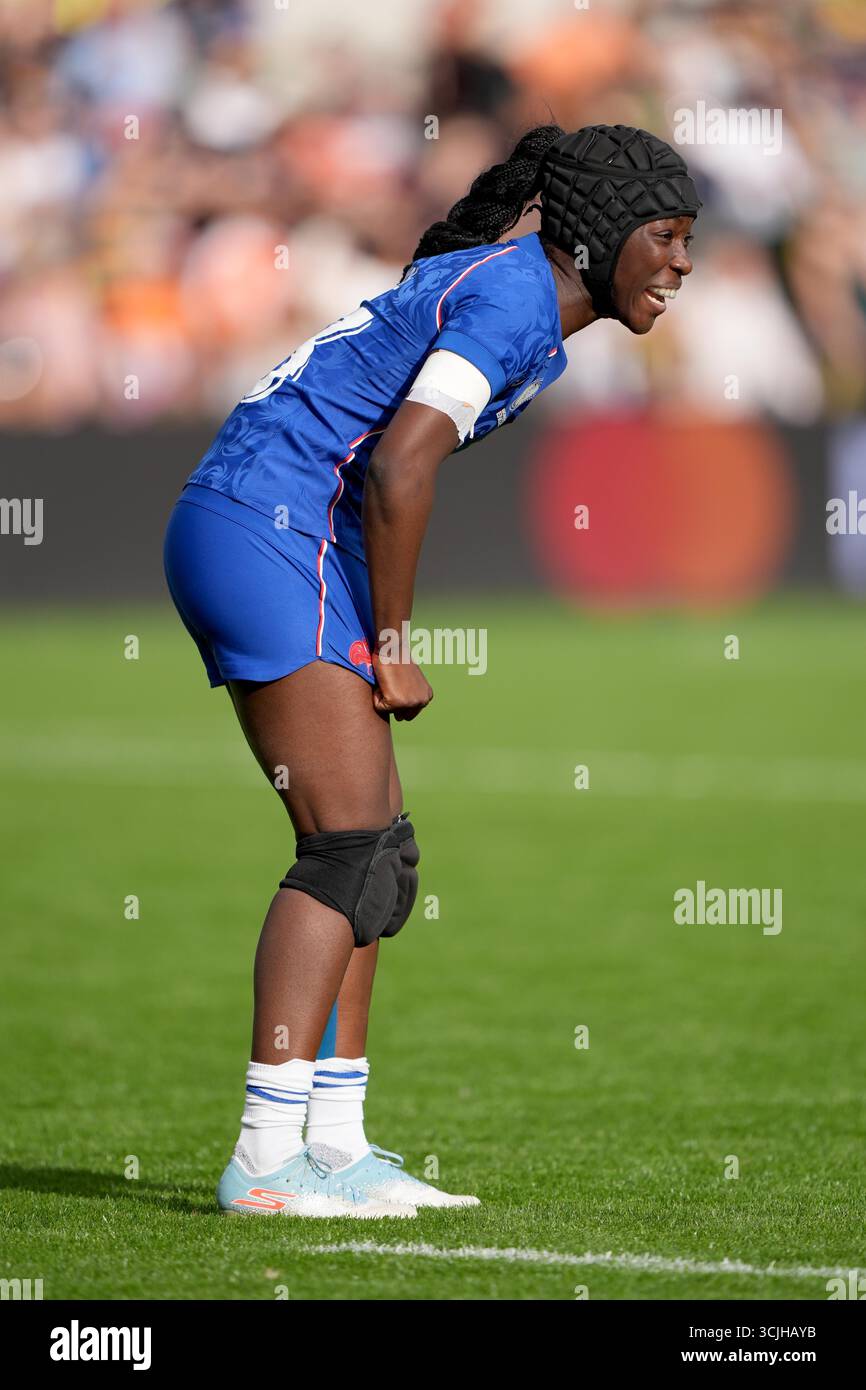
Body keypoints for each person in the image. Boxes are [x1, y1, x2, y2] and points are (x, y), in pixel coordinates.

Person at [163, 124, 700, 1218]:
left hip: (270, 525)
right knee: (348, 850)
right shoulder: (512, 298)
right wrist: (395, 641)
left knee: (377, 861)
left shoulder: (505, 286)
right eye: (663, 235)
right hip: (270, 528)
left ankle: (335, 1148)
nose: (681, 262)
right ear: (596, 234)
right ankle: (265, 1159)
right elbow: (401, 463)